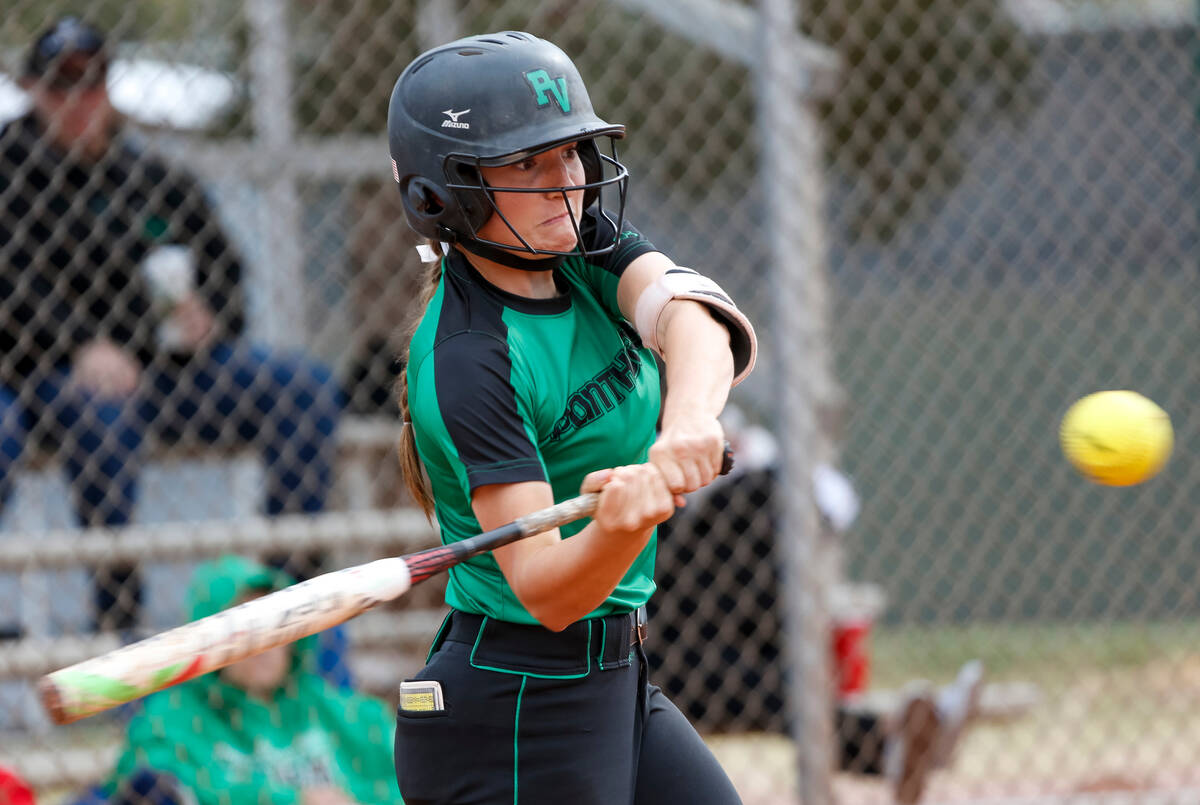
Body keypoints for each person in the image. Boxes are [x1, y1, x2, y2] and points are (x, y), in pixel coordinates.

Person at [386, 31, 758, 805]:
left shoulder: (582, 249)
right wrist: (621, 524)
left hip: (616, 678)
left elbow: (699, 318)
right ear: (444, 195)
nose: (568, 184)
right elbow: (548, 591)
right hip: (515, 708)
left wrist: (687, 421)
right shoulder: (469, 357)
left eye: (572, 154)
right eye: (529, 163)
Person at [0, 17, 343, 632]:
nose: (78, 102)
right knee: (101, 416)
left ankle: (291, 600)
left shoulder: (151, 175)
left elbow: (226, 273)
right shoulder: (10, 173)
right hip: (50, 379)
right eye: (61, 86)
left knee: (302, 384)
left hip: (170, 373)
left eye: (93, 84)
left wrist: (208, 317)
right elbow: (13, 285)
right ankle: (121, 618)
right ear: (33, 89)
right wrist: (80, 344)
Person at [651, 406, 984, 803]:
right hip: (647, 641)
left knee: (766, 489)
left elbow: (833, 496)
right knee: (760, 680)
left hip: (703, 637)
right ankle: (886, 745)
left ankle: (886, 746)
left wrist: (728, 460)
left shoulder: (711, 419)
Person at [98, 555, 402, 805]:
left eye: (275, 625)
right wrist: (294, 802)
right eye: (242, 629)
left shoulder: (342, 712)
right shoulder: (170, 720)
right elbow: (152, 791)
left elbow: (416, 784)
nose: (263, 644)